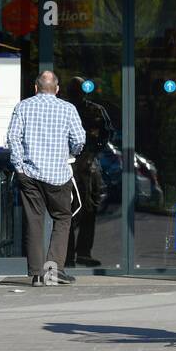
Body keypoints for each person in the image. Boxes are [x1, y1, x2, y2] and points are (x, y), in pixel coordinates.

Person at [7, 71, 86, 287]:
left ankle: (36, 274)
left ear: (35, 87)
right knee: (62, 218)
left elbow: (13, 137)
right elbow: (79, 140)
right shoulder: (68, 109)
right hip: (58, 175)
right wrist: (72, 152)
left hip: (29, 174)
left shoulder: (23, 107)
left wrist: (19, 166)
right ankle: (53, 271)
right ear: (57, 89)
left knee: (34, 221)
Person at [63, 76, 113, 268]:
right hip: (68, 164)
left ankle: (83, 252)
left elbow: (107, 133)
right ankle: (68, 254)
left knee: (89, 207)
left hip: (88, 164)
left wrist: (94, 150)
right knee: (69, 208)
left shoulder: (95, 110)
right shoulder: (64, 109)